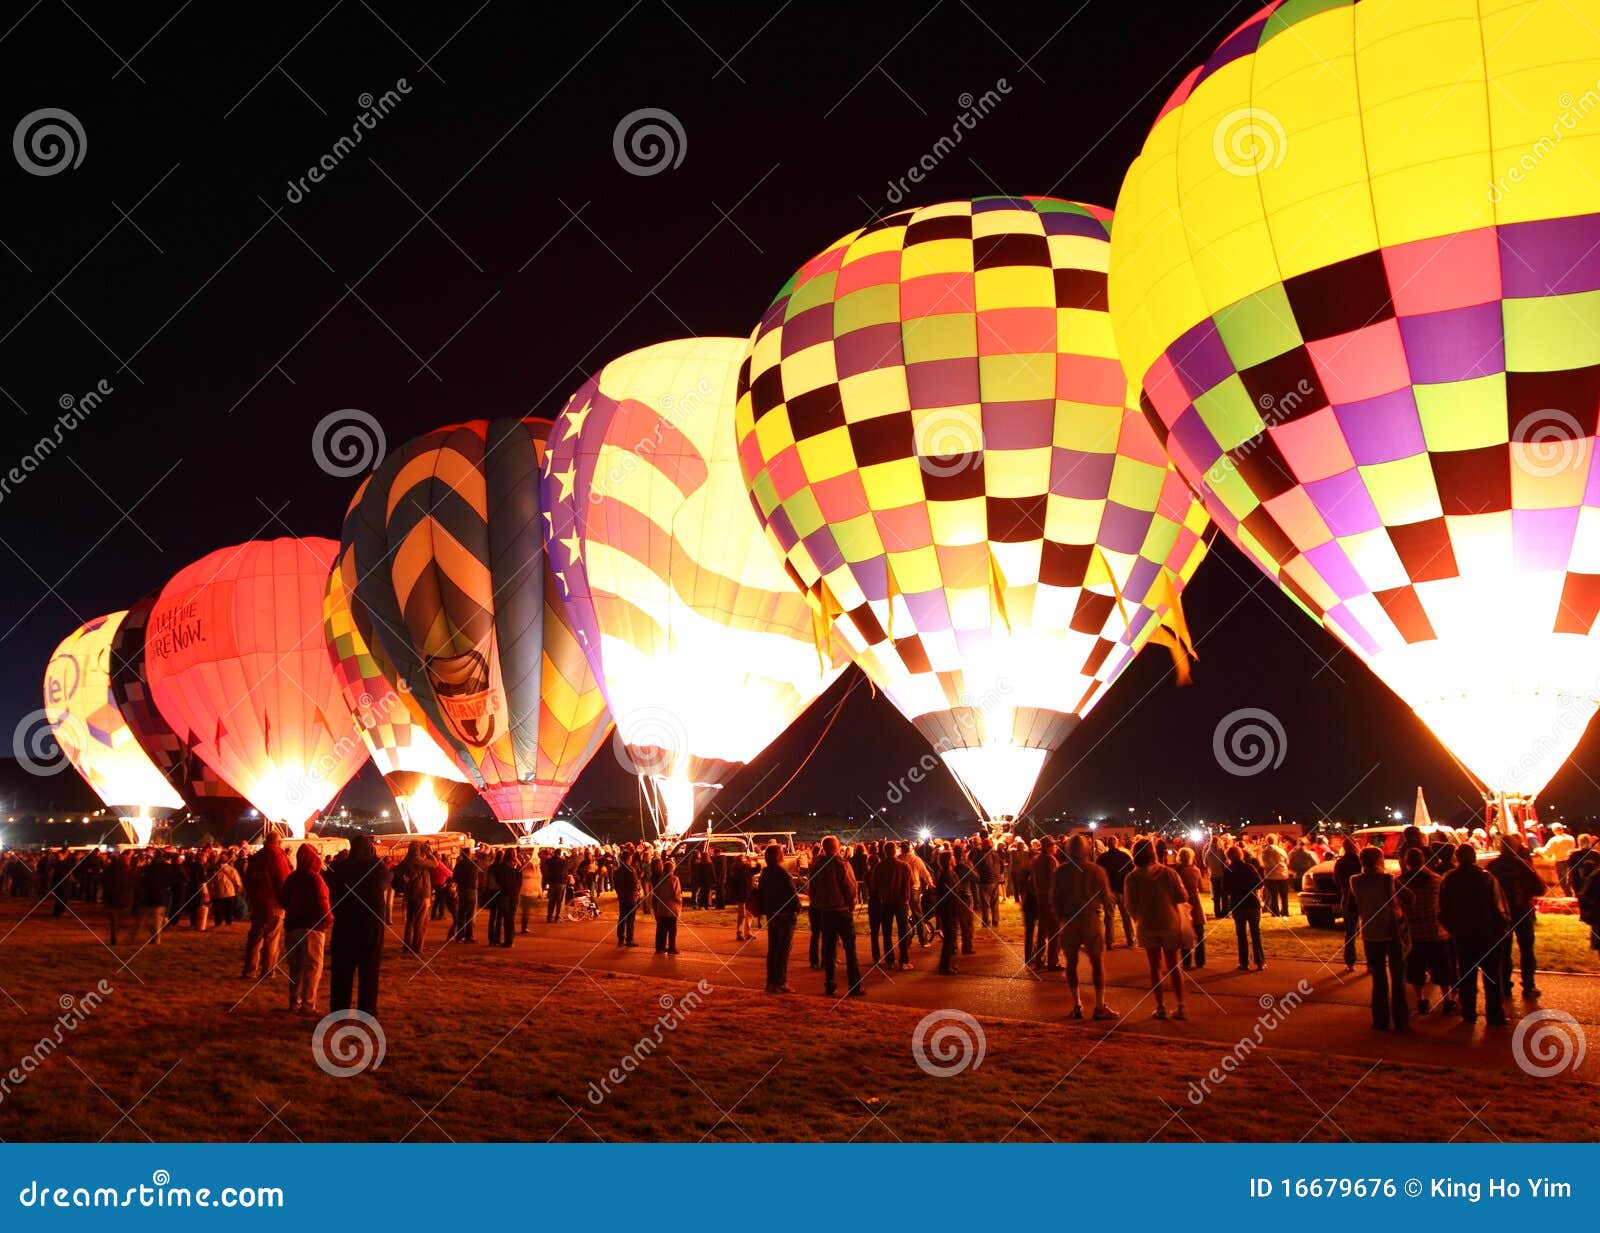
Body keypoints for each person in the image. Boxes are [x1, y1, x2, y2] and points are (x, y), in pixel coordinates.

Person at [1439, 844, 1509, 1026]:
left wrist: (1452, 928)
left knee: (1466, 975)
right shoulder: (1486, 877)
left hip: (1463, 934)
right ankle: (1495, 1014)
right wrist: (1502, 927)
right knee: (1492, 976)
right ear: (1474, 857)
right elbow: (1499, 905)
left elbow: (1443, 908)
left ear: (1457, 858)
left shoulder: (1449, 879)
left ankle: (1469, 1013)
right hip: (1487, 933)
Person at [1346, 846, 1412, 1031]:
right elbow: (1409, 897)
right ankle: (1401, 1020)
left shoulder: (1355, 881)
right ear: (1379, 860)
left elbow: (1351, 907)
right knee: (1398, 977)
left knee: (1379, 978)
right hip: (1392, 932)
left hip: (1370, 933)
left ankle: (1380, 1020)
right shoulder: (1388, 879)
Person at [1052, 834, 1117, 1020]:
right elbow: (1107, 898)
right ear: (1087, 849)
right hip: (1090, 919)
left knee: (1071, 963)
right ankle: (1099, 1005)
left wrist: (1060, 918)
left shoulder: (1060, 872)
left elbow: (1054, 899)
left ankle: (1076, 1005)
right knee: (1097, 962)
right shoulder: (1096, 871)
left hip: (1069, 920)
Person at [1124, 840, 1189, 1020]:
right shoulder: (1168, 873)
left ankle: (1160, 1006)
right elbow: (1182, 896)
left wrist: (1139, 914)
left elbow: (1130, 906)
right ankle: (1181, 1005)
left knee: (1154, 966)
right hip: (1169, 922)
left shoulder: (1132, 877)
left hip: (1147, 924)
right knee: (1174, 965)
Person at [328, 834, 390, 1019]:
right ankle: (367, 1009)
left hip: (344, 924)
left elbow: (332, 887)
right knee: (369, 969)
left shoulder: (340, 867)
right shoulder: (377, 868)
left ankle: (339, 1010)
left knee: (341, 971)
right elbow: (386, 883)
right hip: (370, 926)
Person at [1488, 833, 1546, 1000]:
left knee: (1504, 951)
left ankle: (1505, 986)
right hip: (1522, 912)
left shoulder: (1493, 866)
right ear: (1515, 847)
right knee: (1526, 949)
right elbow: (1540, 888)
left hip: (1501, 914)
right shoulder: (1523, 865)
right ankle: (1528, 985)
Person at [1400, 848, 1455, 1017]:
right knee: (1442, 969)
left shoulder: (1400, 882)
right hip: (1435, 931)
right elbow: (1444, 903)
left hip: (1413, 933)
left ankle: (1421, 1000)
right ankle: (1448, 1001)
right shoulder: (1436, 880)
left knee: (1416, 970)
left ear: (1406, 862)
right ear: (1423, 860)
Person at [809, 835, 864, 996]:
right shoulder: (841, 864)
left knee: (829, 950)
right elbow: (850, 887)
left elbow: (812, 889)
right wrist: (851, 904)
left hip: (825, 911)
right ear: (836, 847)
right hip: (841, 911)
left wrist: (819, 903)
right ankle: (854, 985)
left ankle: (830, 985)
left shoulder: (816, 866)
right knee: (850, 949)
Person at [282, 845, 332, 1013]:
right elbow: (322, 902)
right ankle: (308, 1004)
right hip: (312, 927)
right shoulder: (315, 879)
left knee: (295, 967)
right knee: (312, 967)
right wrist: (328, 919)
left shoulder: (292, 878)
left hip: (292, 926)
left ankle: (294, 1002)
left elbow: (283, 899)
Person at [241, 832, 291, 978]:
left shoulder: (257, 857)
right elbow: (283, 880)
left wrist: (252, 896)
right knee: (271, 938)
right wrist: (285, 900)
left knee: (255, 937)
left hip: (258, 902)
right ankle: (268, 971)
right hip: (273, 903)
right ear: (278, 842)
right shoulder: (278, 856)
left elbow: (247, 879)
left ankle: (249, 970)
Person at [757, 845, 799, 992]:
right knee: (783, 950)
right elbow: (792, 895)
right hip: (785, 916)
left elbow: (761, 893)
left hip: (772, 914)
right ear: (778, 856)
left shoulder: (765, 873)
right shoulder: (783, 874)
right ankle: (780, 982)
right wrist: (797, 908)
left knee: (773, 949)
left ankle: (771, 982)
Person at [868, 842, 912, 969]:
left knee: (887, 932)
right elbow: (911, 882)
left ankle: (890, 960)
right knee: (903, 931)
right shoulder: (904, 866)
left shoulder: (879, 867)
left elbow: (874, 885)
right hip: (901, 902)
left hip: (886, 902)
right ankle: (904, 960)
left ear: (884, 852)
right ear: (895, 851)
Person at [1223, 846, 1265, 970]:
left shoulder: (1228, 870)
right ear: (1241, 854)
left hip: (1238, 904)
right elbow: (1260, 884)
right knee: (1255, 933)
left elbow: (1226, 889)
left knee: (1241, 934)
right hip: (1252, 903)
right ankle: (1260, 962)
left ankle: (1243, 962)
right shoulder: (1249, 867)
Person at [393, 841, 432, 957]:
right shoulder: (417, 860)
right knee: (420, 922)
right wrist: (429, 853)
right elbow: (435, 864)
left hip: (410, 893)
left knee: (410, 921)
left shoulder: (406, 861)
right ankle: (417, 947)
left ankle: (407, 946)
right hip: (421, 894)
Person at [1096, 836, 1134, 949]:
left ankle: (1110, 942)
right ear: (1117, 844)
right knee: (1126, 916)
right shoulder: (1125, 856)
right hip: (1122, 889)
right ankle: (1131, 940)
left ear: (1107, 845)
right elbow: (1131, 871)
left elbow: (1098, 874)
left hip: (1109, 890)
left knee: (1109, 917)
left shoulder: (1102, 858)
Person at [1332, 835, 1364, 971]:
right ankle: (1371, 963)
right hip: (1362, 898)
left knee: (1350, 932)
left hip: (1347, 897)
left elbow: (1336, 880)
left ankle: (1350, 962)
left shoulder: (1340, 862)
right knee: (1367, 931)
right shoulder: (1360, 861)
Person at [1030, 837, 1060, 970]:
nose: (1056, 848)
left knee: (1042, 930)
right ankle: (1053, 962)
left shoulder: (1036, 860)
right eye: (1054, 846)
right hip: (1050, 898)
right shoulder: (1051, 861)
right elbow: (1055, 881)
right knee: (1054, 930)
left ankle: (1039, 960)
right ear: (1048, 847)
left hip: (1040, 896)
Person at [933, 852, 962, 976]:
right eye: (952, 857)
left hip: (950, 909)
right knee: (949, 938)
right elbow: (949, 894)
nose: (954, 859)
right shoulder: (946, 875)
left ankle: (947, 965)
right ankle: (944, 967)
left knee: (951, 938)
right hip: (948, 910)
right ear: (949, 860)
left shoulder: (949, 873)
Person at [103, 851, 136, 945]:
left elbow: (104, 882)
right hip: (124, 899)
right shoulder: (128, 872)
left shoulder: (109, 870)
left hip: (111, 898)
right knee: (123, 919)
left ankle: (114, 936)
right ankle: (121, 936)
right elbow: (132, 884)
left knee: (114, 919)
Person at [651, 858, 681, 954]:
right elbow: (676, 894)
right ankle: (671, 948)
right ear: (672, 869)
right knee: (672, 929)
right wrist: (679, 903)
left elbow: (656, 893)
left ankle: (660, 947)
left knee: (661, 929)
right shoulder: (674, 879)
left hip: (662, 908)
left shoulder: (660, 879)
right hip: (671, 908)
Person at [452, 849, 479, 942]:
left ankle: (460, 936)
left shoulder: (459, 865)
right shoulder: (474, 864)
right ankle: (469, 936)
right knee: (470, 914)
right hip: (471, 890)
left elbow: (454, 878)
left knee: (461, 914)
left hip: (462, 891)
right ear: (469, 854)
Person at [613, 850, 639, 947]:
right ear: (629, 858)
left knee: (622, 917)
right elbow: (634, 884)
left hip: (622, 897)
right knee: (630, 919)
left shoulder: (618, 871)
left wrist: (619, 893)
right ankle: (629, 939)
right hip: (630, 897)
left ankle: (620, 939)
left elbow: (615, 884)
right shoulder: (631, 870)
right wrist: (636, 891)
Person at [1261, 834, 1291, 917]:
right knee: (1284, 896)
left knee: (1273, 896)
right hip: (1282, 875)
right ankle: (1285, 911)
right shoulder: (1281, 851)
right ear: (1275, 840)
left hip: (1270, 876)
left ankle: (1275, 912)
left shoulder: (1264, 851)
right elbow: (1287, 862)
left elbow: (1263, 863)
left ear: (1267, 841)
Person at [546, 848, 569, 923]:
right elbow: (566, 871)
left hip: (552, 882)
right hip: (561, 882)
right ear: (560, 854)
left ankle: (549, 917)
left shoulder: (549, 861)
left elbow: (547, 870)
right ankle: (557, 917)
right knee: (559, 901)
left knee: (551, 900)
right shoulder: (564, 862)